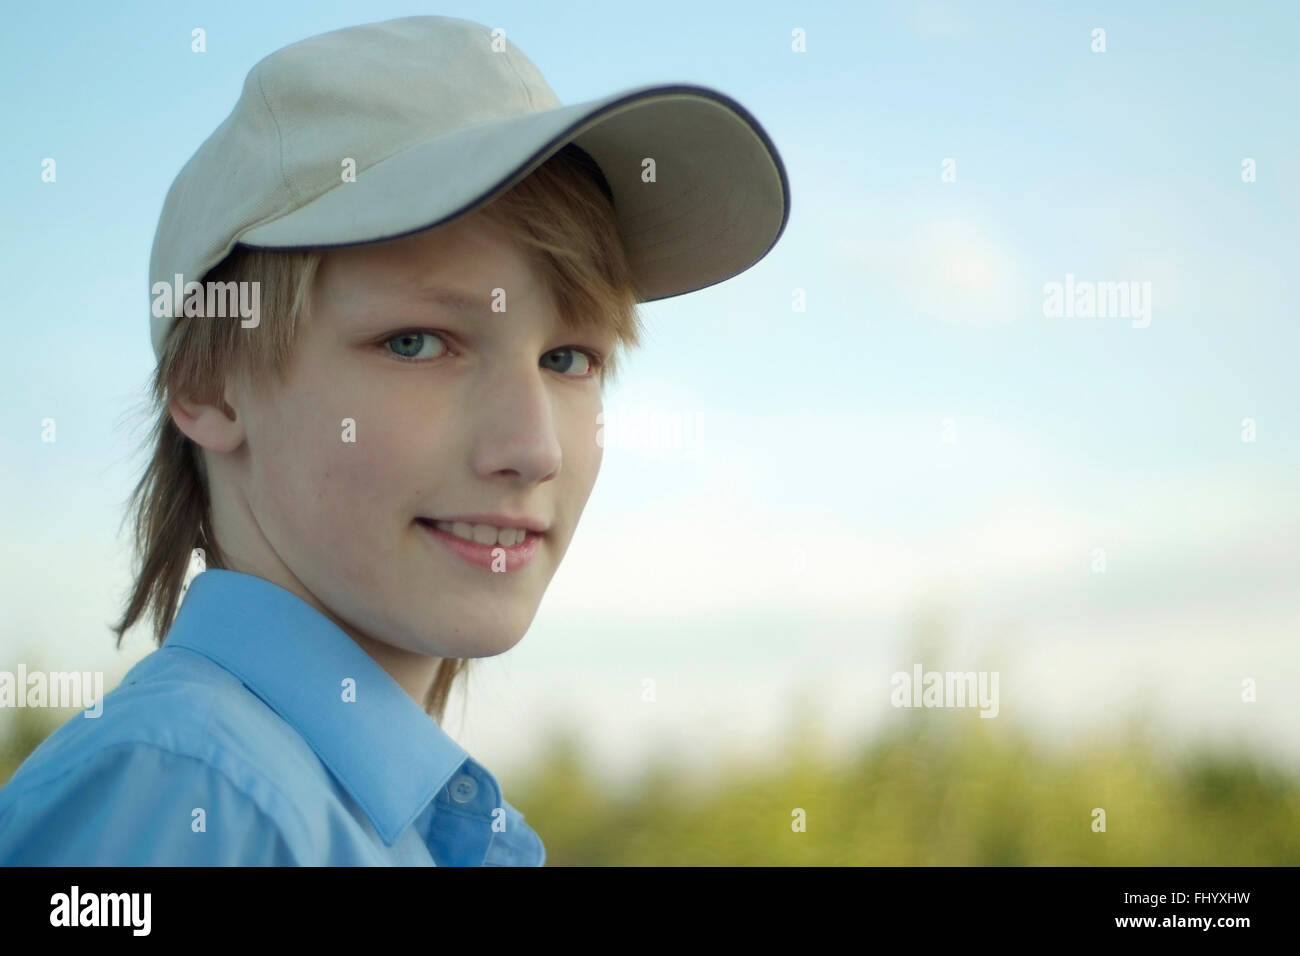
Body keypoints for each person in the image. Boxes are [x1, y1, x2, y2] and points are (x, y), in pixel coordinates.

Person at [0, 14, 789, 865]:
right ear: (208, 384)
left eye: (569, 358)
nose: (534, 449)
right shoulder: (192, 795)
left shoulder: (362, 815)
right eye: (416, 343)